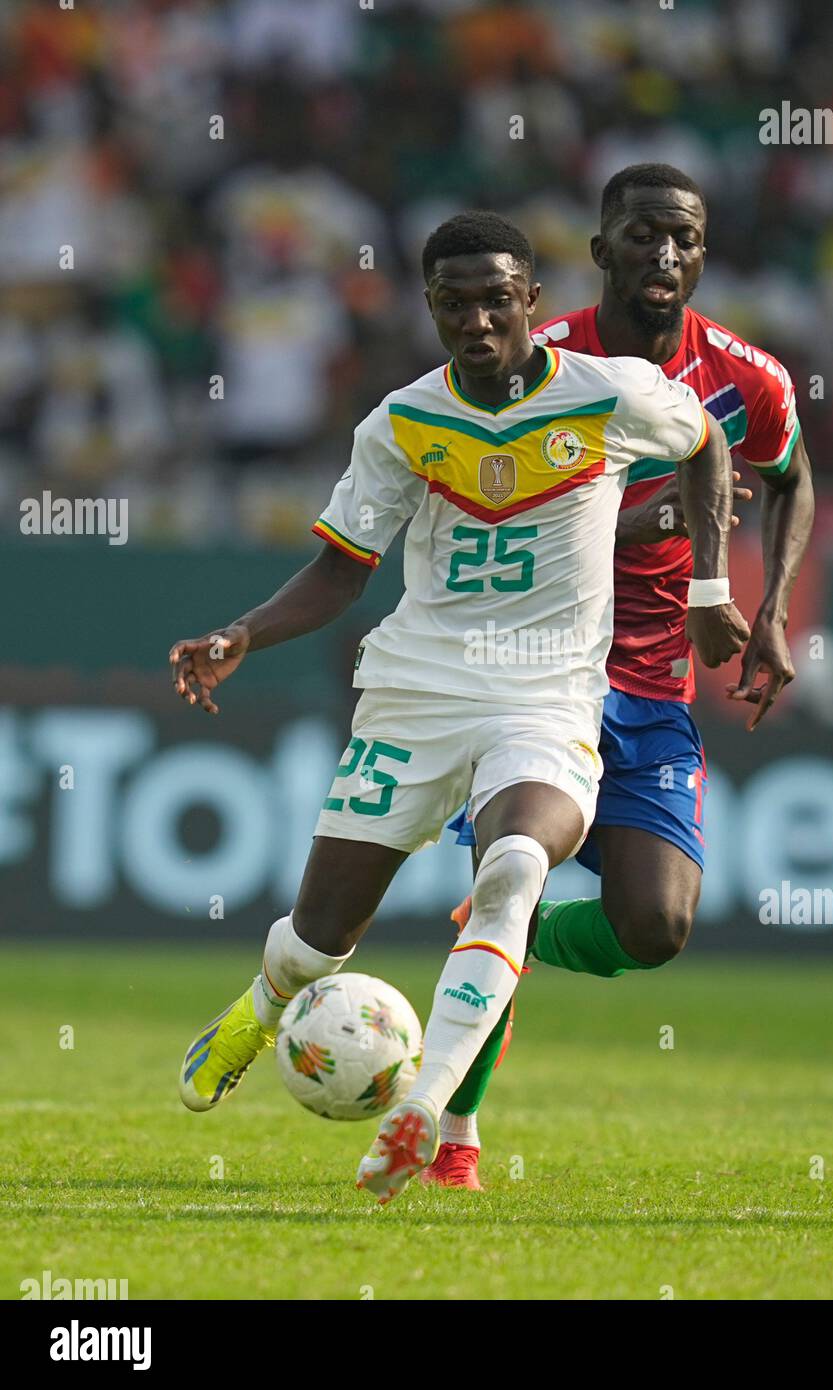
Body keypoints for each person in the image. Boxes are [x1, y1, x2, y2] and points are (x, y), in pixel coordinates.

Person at [169, 210, 747, 1205]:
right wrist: (242, 634)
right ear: (430, 308)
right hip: (418, 693)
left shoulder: (610, 396)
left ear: (531, 301)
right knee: (318, 940)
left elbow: (708, 448)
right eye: (454, 303)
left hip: (547, 693)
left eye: (496, 299)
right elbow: (340, 572)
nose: (477, 320)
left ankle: (423, 1108)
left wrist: (708, 587)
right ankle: (261, 1010)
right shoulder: (401, 423)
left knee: (516, 866)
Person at [427, 164, 816, 1191]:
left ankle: (502, 935)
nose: (665, 255)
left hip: (650, 688)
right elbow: (484, 514)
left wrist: (769, 607)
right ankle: (456, 1136)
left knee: (658, 926)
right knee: (515, 864)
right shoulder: (537, 368)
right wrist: (649, 527)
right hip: (536, 669)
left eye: (684, 237)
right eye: (643, 236)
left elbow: (791, 474)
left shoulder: (743, 377)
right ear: (600, 252)